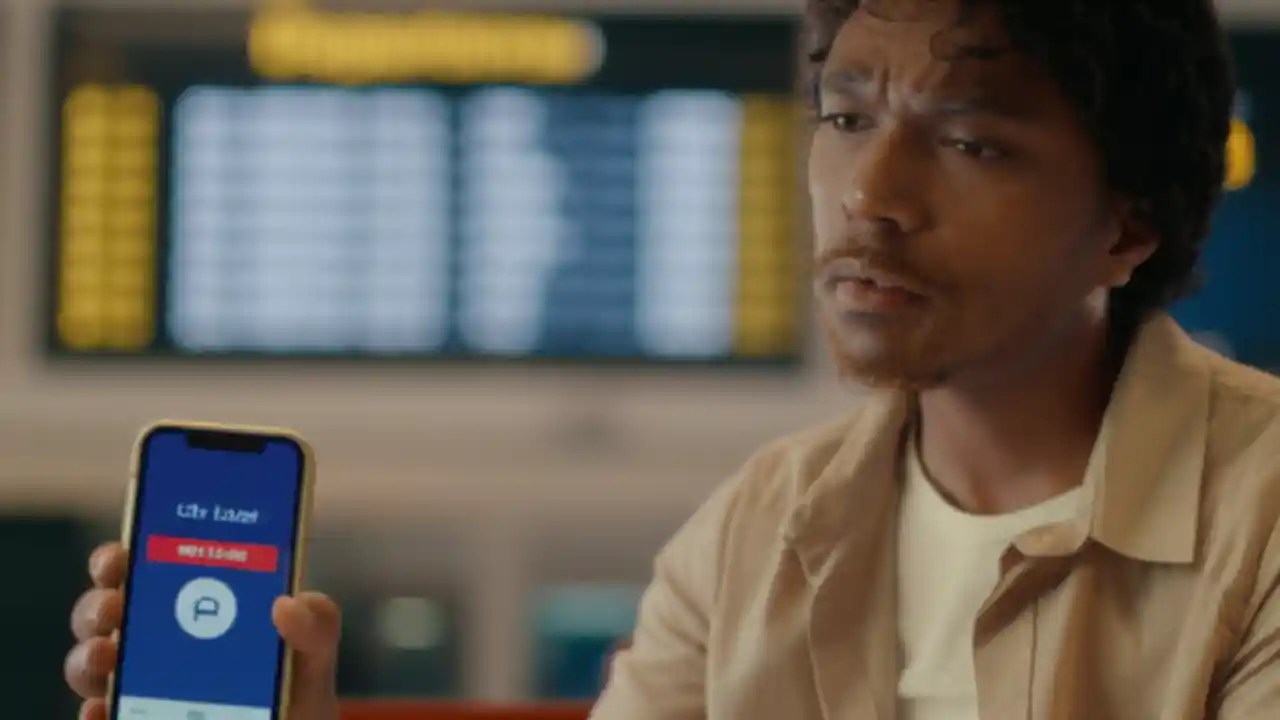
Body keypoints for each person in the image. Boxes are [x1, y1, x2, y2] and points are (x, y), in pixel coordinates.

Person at [66, 0, 1280, 717]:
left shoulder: (1260, 515)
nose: (869, 195)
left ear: (1125, 225)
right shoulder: (760, 525)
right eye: (846, 118)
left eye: (966, 142)